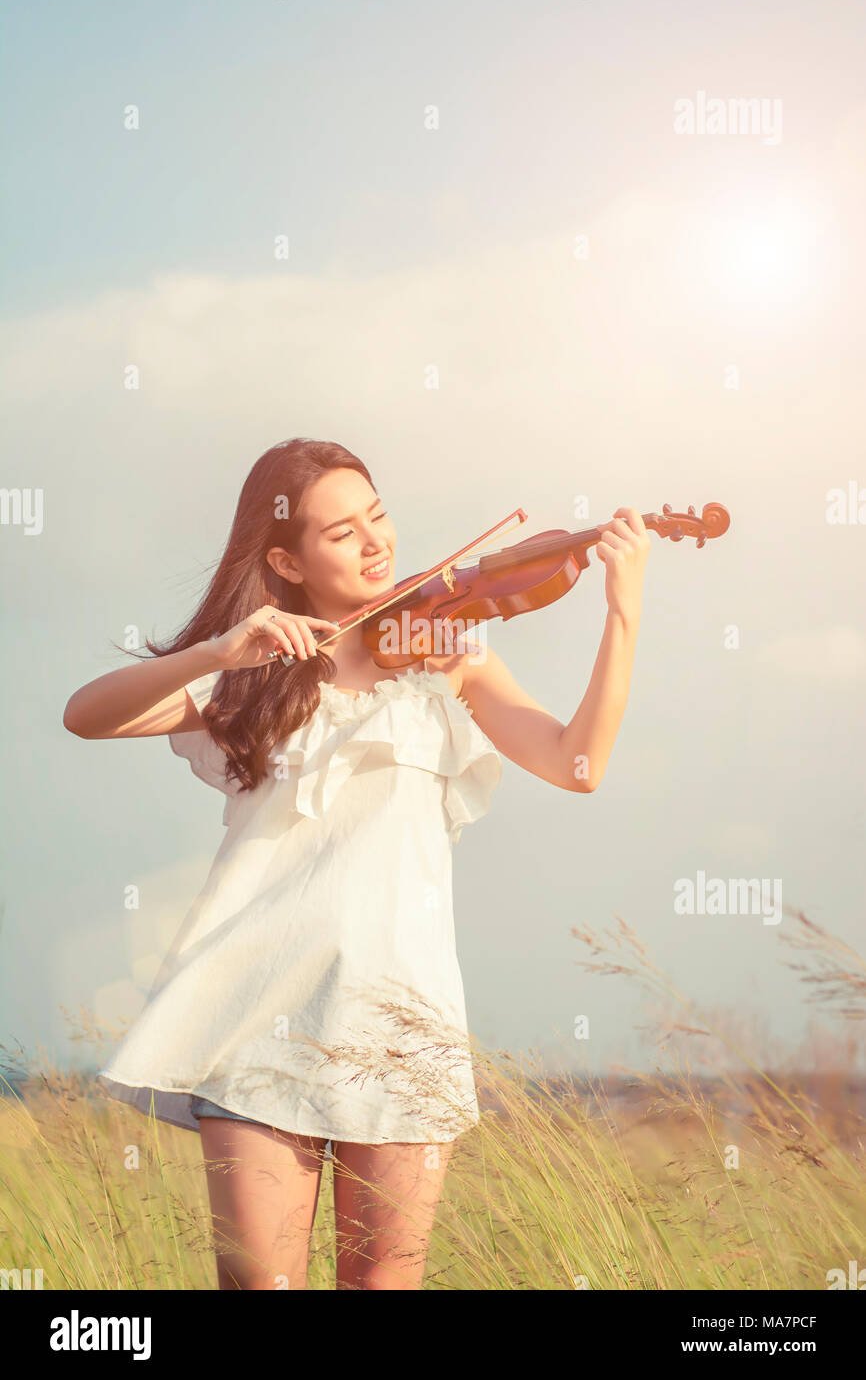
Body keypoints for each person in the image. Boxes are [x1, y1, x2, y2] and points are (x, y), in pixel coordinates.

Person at [63, 437, 649, 1290]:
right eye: (341, 532)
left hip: (401, 1024)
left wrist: (623, 611)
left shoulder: (449, 654)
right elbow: (86, 715)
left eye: (377, 515)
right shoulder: (254, 672)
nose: (376, 541)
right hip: (254, 1016)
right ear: (284, 559)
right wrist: (220, 654)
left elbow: (577, 765)